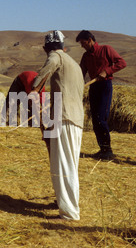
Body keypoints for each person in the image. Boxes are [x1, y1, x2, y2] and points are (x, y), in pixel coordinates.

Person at [32, 31, 85, 221]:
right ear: (63, 44)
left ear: (47, 48)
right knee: (68, 164)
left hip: (64, 118)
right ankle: (65, 203)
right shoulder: (73, 62)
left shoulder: (55, 57)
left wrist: (35, 88)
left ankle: (70, 213)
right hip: (75, 119)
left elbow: (47, 68)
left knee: (63, 165)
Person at [76, 30, 127, 160]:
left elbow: (122, 63)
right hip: (93, 87)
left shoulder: (106, 49)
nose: (82, 46)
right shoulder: (86, 56)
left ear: (89, 40)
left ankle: (108, 150)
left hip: (105, 86)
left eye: (83, 43)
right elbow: (80, 73)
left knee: (101, 118)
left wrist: (107, 71)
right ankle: (102, 149)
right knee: (95, 120)